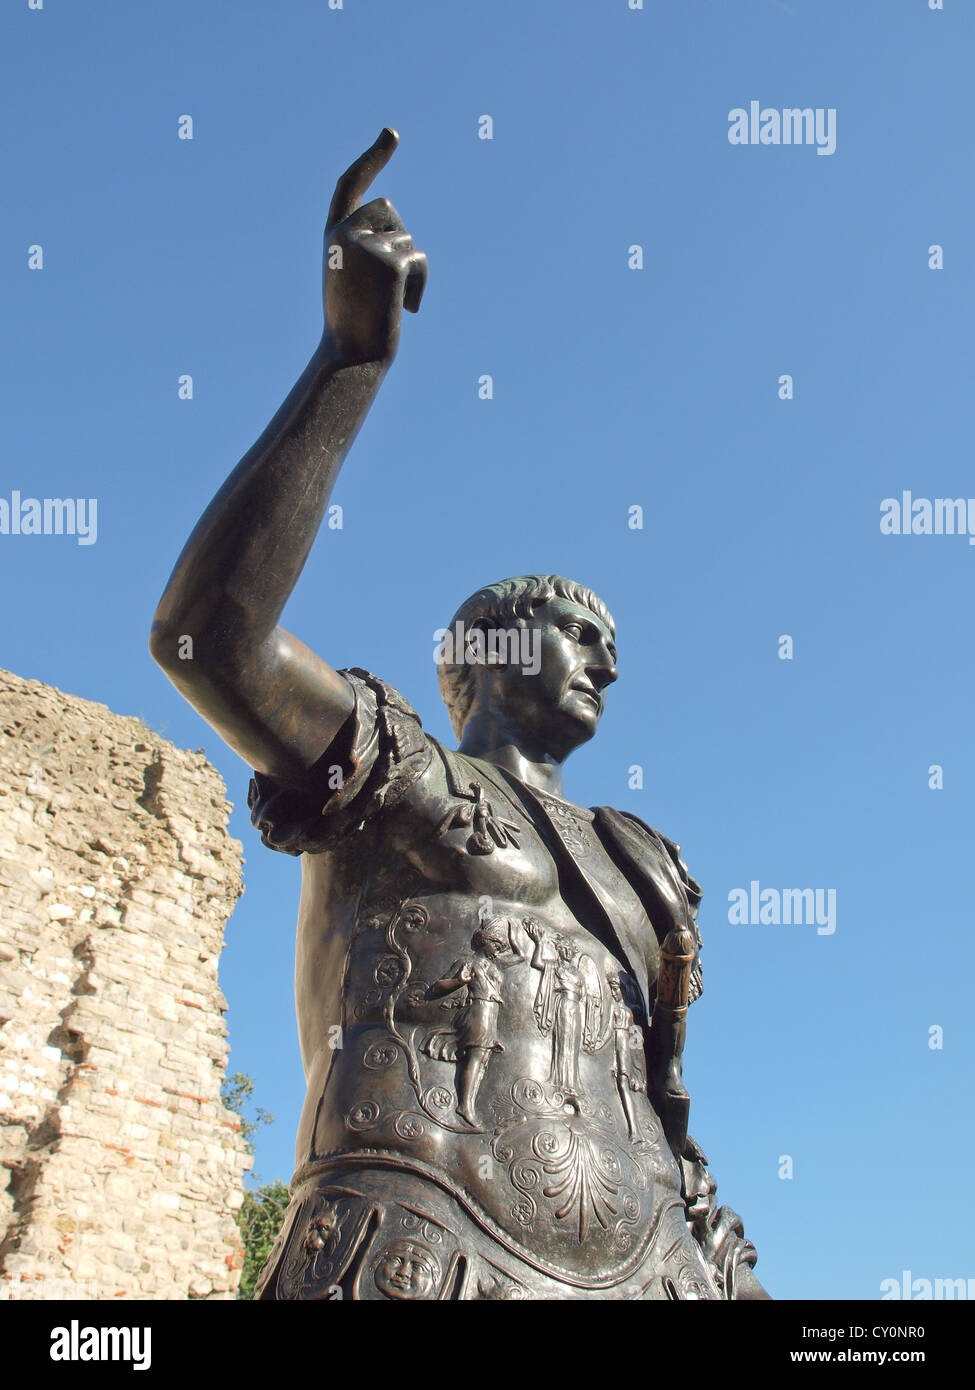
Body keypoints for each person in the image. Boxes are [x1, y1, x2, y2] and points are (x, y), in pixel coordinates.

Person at [150, 130, 769, 1301]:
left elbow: (672, 1122)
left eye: (614, 649)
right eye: (579, 632)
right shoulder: (402, 779)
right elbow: (208, 641)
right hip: (420, 1258)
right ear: (484, 652)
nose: (609, 664)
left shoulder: (646, 865)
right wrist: (349, 359)